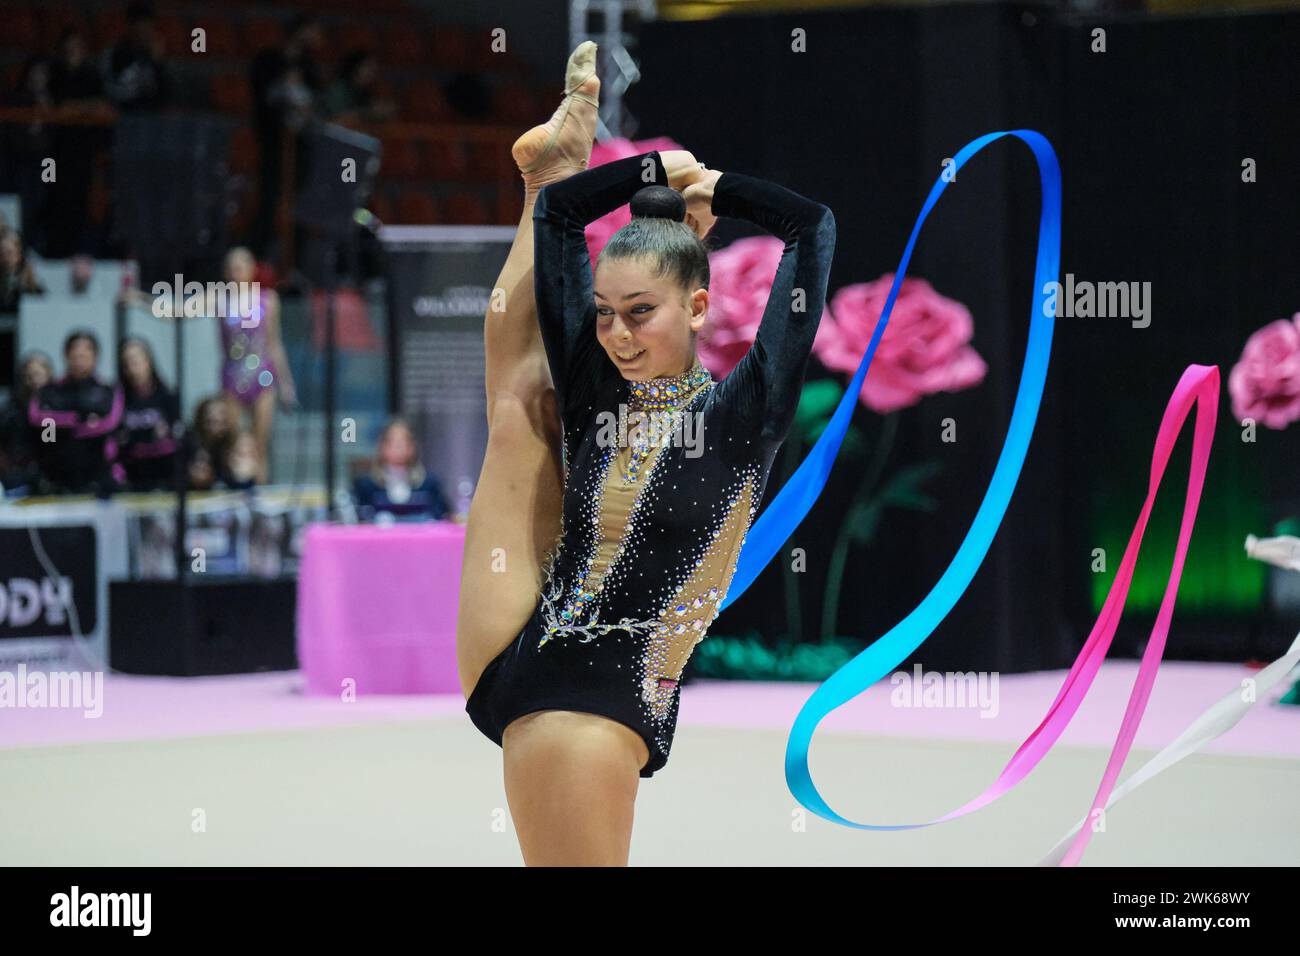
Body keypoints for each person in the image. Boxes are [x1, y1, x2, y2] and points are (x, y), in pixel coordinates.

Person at [456, 42, 835, 865]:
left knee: (526, 401)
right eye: (605, 314)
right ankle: (547, 163)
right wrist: (643, 170)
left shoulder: (745, 408)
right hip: (569, 695)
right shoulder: (600, 393)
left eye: (640, 312)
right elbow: (563, 223)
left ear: (700, 306)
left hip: (590, 677)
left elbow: (812, 228)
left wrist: (720, 192)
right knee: (521, 404)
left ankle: (552, 167)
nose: (618, 336)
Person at [216, 247, 297, 483]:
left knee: (260, 442)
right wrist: (142, 300)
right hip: (233, 373)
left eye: (241, 267)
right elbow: (181, 311)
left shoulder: (268, 299)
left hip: (262, 372)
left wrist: (286, 383)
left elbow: (274, 343)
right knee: (232, 441)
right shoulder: (221, 299)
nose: (236, 272)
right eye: (232, 268)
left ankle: (260, 493)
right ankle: (233, 487)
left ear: (252, 270)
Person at [28, 331, 124, 496]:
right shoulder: (50, 392)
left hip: (97, 479)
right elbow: (44, 431)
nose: (80, 359)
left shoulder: (108, 391)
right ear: (66, 355)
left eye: (85, 354)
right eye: (76, 354)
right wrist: (78, 421)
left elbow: (108, 425)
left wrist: (61, 424)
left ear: (95, 357)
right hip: (56, 479)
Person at [352, 418, 449, 521]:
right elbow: (359, 518)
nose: (398, 448)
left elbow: (442, 516)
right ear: (382, 447)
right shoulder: (366, 485)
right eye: (393, 442)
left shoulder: (429, 483)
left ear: (412, 447)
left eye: (403, 442)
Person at [115, 337, 181, 490]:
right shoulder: (118, 399)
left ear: (148, 361)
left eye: (136, 360)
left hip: (165, 475)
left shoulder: (167, 396)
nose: (132, 368)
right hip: (132, 476)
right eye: (127, 363)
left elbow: (175, 434)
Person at [0, 351, 53, 493]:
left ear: (49, 375)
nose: (33, 380)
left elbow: (50, 441)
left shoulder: (53, 407)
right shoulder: (11, 409)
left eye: (38, 375)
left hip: (48, 475)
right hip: (16, 476)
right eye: (28, 376)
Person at [106, 1, 173, 113]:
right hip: (122, 116)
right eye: (141, 24)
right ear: (131, 27)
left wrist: (157, 64)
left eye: (149, 25)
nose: (146, 31)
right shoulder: (116, 53)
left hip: (150, 118)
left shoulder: (154, 54)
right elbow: (114, 92)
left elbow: (164, 97)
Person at [321, 50, 396, 128]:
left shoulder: (364, 90)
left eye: (373, 68)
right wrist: (370, 113)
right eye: (368, 67)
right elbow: (339, 119)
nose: (372, 72)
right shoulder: (338, 90)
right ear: (355, 68)